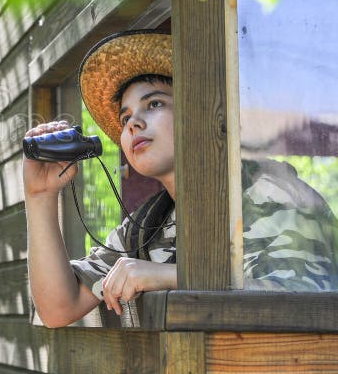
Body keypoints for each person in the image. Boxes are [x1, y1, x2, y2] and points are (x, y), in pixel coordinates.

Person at [23, 30, 338, 328]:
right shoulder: (146, 225)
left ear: (199, 112)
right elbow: (58, 308)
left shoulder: (270, 191)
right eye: (125, 117)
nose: (133, 124)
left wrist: (167, 276)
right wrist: (40, 197)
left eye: (154, 103)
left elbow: (300, 298)